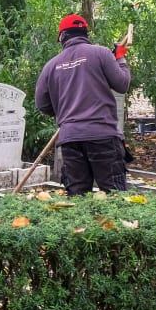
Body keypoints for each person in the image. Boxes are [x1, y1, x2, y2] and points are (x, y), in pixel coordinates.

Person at [35, 14, 131, 196]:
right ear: (85, 33)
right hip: (103, 136)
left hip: (71, 138)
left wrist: (65, 110)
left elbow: (42, 104)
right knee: (115, 195)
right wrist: (120, 58)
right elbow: (122, 84)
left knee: (77, 196)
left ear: (62, 36)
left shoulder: (51, 66)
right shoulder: (102, 53)